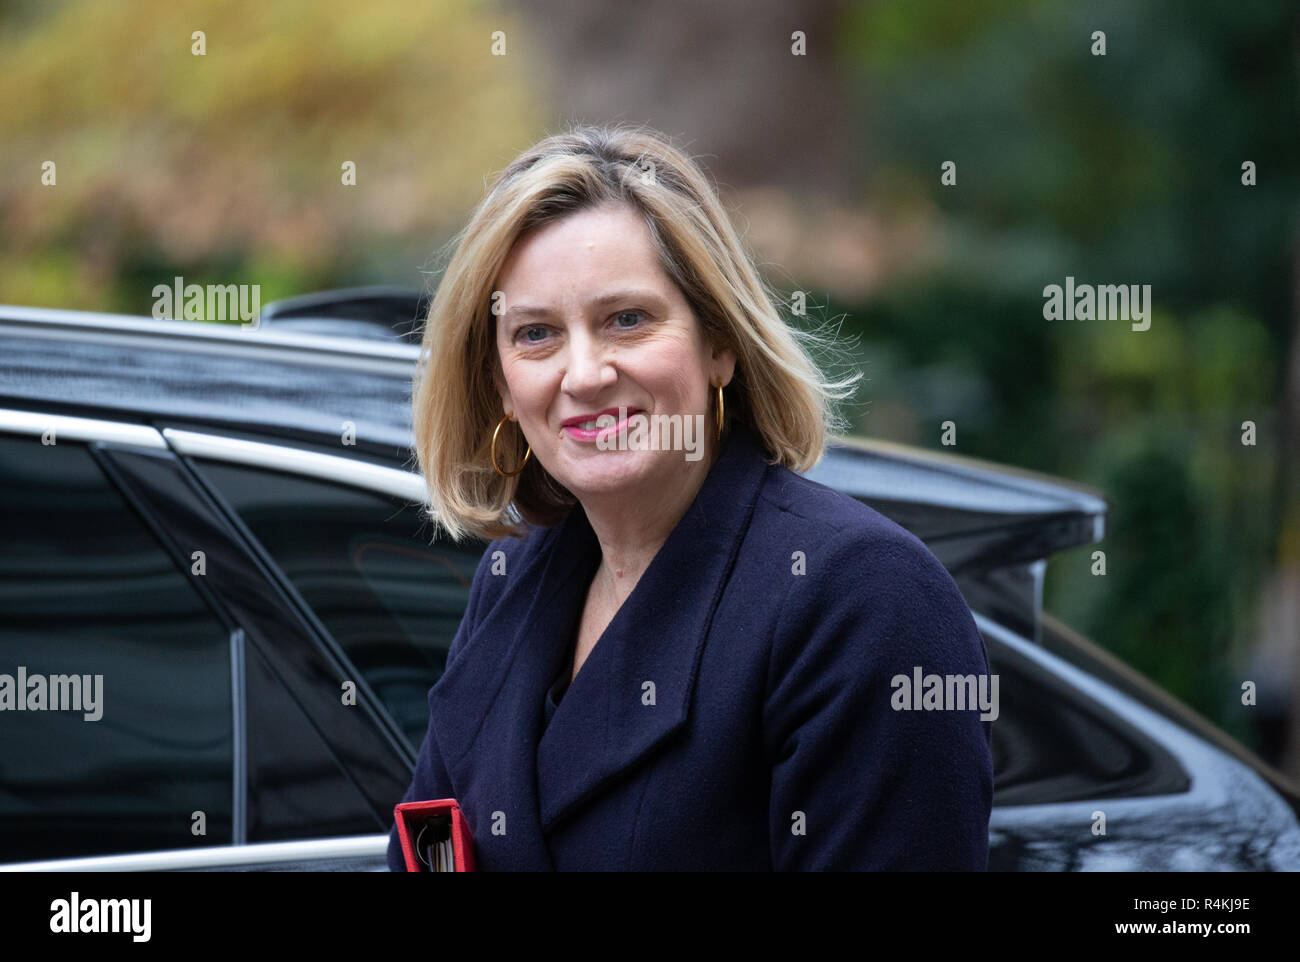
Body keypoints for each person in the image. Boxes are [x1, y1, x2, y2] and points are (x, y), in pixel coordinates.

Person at [388, 123, 993, 870]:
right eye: (536, 334)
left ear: (720, 345)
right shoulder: (513, 581)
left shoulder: (861, 596)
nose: (583, 374)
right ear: (500, 386)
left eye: (627, 320)